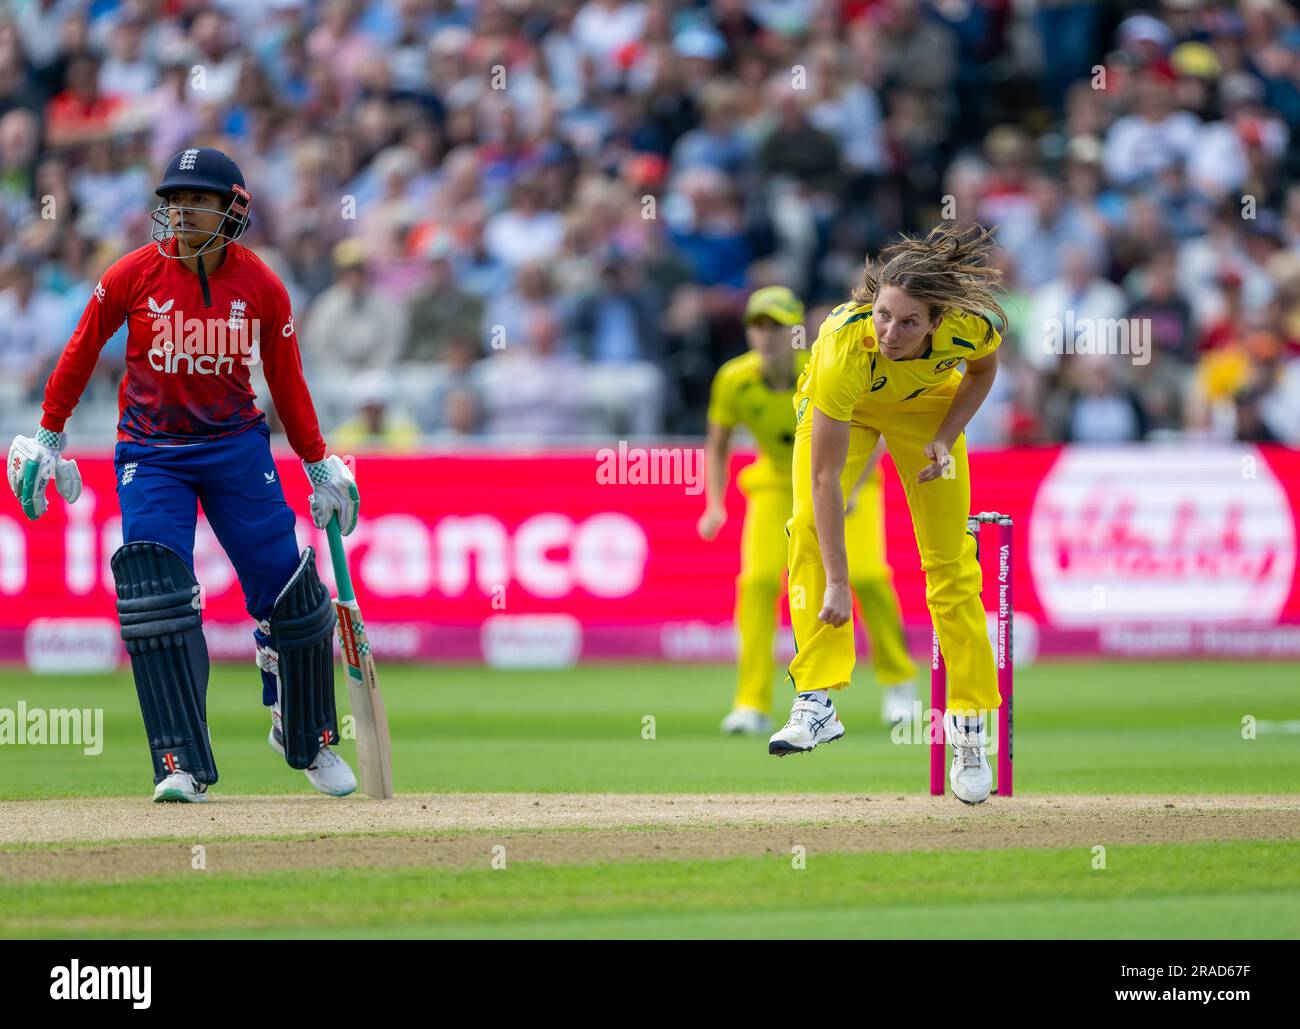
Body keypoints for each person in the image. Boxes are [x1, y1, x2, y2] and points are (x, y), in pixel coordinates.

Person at [6, 146, 361, 804]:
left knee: (292, 594)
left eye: (197, 200)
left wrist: (319, 466)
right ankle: (180, 762)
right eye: (174, 201)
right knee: (157, 594)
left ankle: (307, 736)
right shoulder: (131, 275)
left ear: (233, 209)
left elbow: (287, 380)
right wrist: (49, 435)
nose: (182, 212)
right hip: (153, 452)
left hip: (235, 448)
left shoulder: (262, 286)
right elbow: (82, 349)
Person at [769, 225, 1008, 805]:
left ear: (936, 321)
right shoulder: (842, 350)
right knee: (803, 524)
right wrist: (837, 582)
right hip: (844, 410)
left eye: (907, 323)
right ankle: (817, 698)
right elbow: (826, 481)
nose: (889, 333)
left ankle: (970, 730)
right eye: (882, 315)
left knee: (951, 565)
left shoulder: (969, 328)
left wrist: (947, 437)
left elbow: (982, 373)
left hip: (925, 409)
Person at [698, 286, 917, 736]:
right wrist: (714, 504)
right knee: (758, 583)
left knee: (869, 577)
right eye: (758, 326)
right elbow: (717, 444)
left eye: (776, 327)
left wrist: (851, 485)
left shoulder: (823, 363)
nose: (767, 336)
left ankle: (898, 682)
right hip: (778, 484)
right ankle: (751, 702)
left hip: (846, 481)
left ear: (796, 331)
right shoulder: (734, 379)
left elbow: (875, 426)